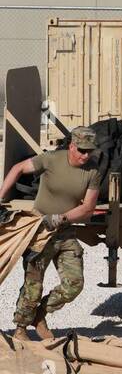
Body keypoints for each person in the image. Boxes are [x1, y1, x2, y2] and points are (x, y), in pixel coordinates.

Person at [0, 126, 101, 341]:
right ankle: (20, 329)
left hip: (64, 232)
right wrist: (1, 195)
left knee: (74, 284)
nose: (86, 155)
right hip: (39, 231)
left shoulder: (93, 172)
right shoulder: (51, 159)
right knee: (33, 283)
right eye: (82, 150)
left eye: (89, 151)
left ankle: (40, 315)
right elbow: (18, 168)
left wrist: (61, 218)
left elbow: (87, 208)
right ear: (72, 146)